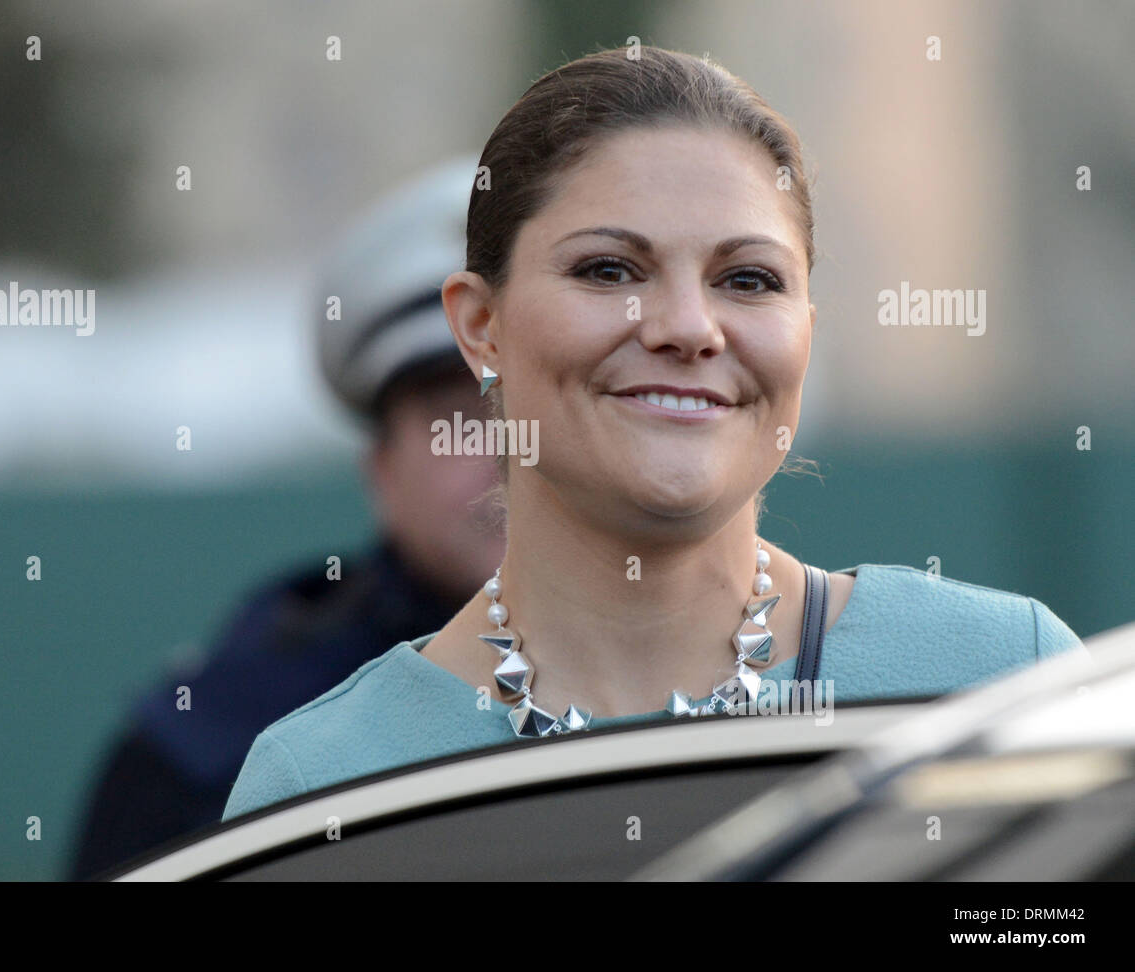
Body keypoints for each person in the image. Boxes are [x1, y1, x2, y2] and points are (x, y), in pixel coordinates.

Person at [222, 47, 1085, 821]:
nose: (687, 326)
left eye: (748, 279)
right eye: (609, 270)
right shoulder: (324, 785)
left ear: (806, 333)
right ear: (482, 325)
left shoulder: (1002, 678)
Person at [68, 158, 505, 879]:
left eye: (525, 403)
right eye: (454, 416)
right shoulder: (206, 751)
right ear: (382, 474)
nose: (505, 450)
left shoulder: (735, 673)